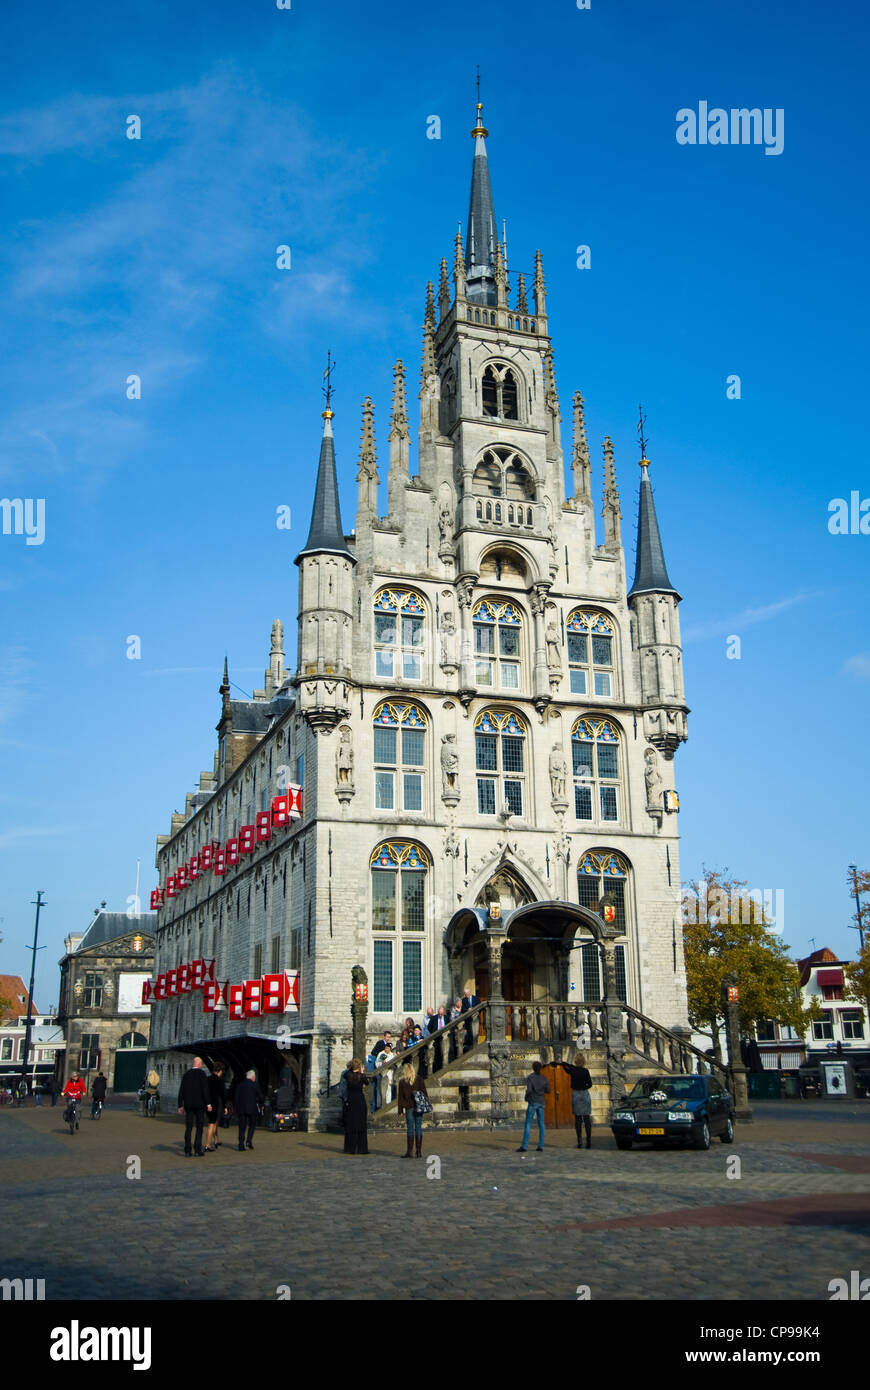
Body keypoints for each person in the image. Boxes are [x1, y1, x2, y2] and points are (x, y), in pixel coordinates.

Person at [177, 1056, 212, 1157]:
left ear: (193, 1063)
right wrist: (208, 1103)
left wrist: (180, 1105)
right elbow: (205, 1090)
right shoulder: (202, 1074)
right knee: (199, 1127)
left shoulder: (186, 1074)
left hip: (188, 1105)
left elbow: (181, 1090)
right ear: (200, 1064)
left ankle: (187, 1150)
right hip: (200, 1105)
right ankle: (197, 1149)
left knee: (188, 1127)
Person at [560, 1052, 593, 1149]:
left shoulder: (573, 1070)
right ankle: (588, 1140)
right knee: (586, 1118)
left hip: (576, 1094)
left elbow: (566, 1068)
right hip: (585, 1094)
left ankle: (579, 1141)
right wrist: (584, 1086)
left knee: (578, 1119)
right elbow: (590, 1084)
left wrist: (565, 1064)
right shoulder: (585, 1071)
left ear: (575, 1061)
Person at [397, 1060, 430, 1158]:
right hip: (419, 1106)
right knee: (418, 1128)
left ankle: (409, 1151)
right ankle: (418, 1151)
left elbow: (400, 1098)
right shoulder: (419, 1079)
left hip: (409, 1107)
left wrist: (400, 1110)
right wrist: (425, 1104)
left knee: (410, 1129)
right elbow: (424, 1093)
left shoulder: (402, 1082)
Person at [517, 1061, 550, 1152]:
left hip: (533, 1101)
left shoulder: (530, 1078)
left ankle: (524, 1146)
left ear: (533, 1068)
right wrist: (541, 1090)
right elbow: (548, 1090)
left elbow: (529, 1090)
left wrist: (526, 1097)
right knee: (541, 1124)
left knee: (528, 1123)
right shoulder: (544, 1078)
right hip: (541, 1101)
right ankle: (541, 1145)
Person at [343, 1059, 369, 1154]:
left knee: (351, 1123)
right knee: (361, 1123)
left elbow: (346, 1074)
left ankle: (350, 1148)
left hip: (351, 1100)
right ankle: (362, 1148)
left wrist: (352, 1068)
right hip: (359, 1100)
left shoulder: (348, 1075)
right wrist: (361, 1072)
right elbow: (367, 1082)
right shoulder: (361, 1076)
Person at [234, 1069, 264, 1151]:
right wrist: (261, 1105)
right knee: (252, 1125)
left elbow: (236, 1098)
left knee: (242, 1127)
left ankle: (241, 1144)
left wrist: (237, 1108)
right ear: (253, 1077)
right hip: (252, 1108)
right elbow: (261, 1096)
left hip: (242, 1109)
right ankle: (249, 1140)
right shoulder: (255, 1085)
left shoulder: (240, 1085)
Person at [204, 1063, 226, 1151]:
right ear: (219, 1071)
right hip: (215, 1104)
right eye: (222, 1072)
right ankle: (207, 1145)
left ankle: (215, 1141)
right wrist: (225, 1106)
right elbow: (223, 1094)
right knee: (212, 1124)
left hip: (207, 1104)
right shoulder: (220, 1080)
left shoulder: (207, 1079)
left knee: (211, 1123)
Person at [460, 987, 480, 1051]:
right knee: (469, 1033)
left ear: (469, 993)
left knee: (475, 1032)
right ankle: (470, 1047)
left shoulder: (476, 998)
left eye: (466, 994)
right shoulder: (463, 1000)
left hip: (475, 1018)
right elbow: (462, 1010)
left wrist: (474, 1009)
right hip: (468, 1020)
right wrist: (467, 1010)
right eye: (465, 994)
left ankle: (475, 1045)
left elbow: (480, 1007)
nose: (466, 995)